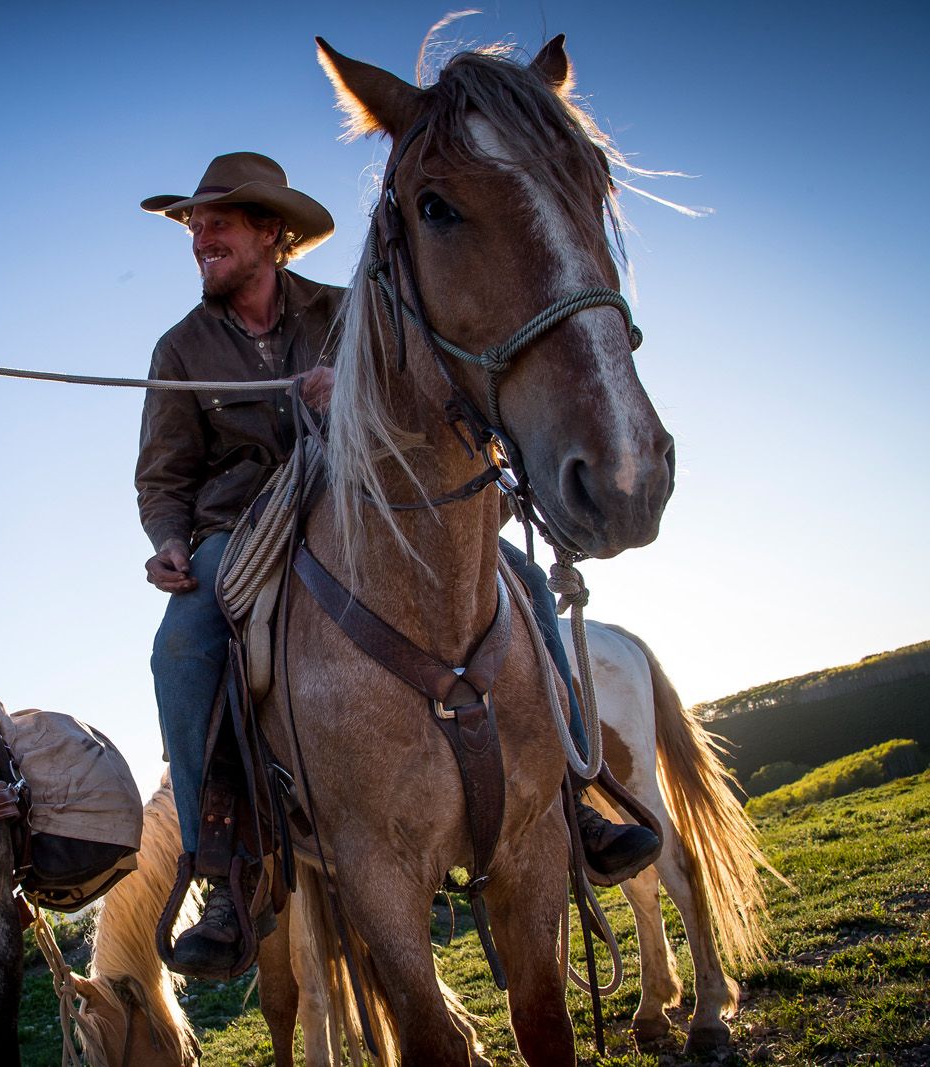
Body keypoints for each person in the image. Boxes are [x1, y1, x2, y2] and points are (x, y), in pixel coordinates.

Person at [135, 152, 657, 975]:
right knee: (182, 649)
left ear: (271, 232)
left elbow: (420, 387)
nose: (200, 234)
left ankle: (576, 792)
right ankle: (223, 872)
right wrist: (168, 538)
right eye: (194, 224)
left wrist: (349, 385)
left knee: (516, 580)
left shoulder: (350, 312)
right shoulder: (179, 349)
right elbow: (165, 475)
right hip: (242, 524)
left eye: (218, 220)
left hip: (363, 496)